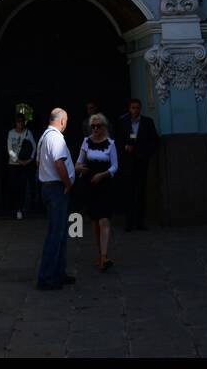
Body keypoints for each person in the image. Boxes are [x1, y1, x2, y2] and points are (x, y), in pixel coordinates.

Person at [35, 108, 75, 291]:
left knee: (59, 232)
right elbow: (59, 163)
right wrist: (67, 183)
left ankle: (59, 272)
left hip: (48, 187)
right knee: (55, 234)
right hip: (56, 188)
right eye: (66, 121)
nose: (66, 124)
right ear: (61, 121)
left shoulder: (44, 137)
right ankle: (47, 276)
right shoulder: (56, 137)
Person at [75, 114, 117, 272]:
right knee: (95, 222)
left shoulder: (111, 144)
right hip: (90, 184)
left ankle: (105, 256)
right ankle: (100, 254)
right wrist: (79, 168)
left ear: (104, 126)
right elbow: (78, 162)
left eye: (98, 126)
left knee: (104, 220)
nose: (96, 129)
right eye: (93, 126)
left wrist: (103, 174)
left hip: (105, 185)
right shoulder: (86, 142)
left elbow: (115, 166)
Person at [115, 99, 159, 231]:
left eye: (137, 108)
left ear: (141, 109)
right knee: (128, 192)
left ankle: (140, 222)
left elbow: (154, 141)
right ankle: (129, 223)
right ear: (129, 108)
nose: (135, 110)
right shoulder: (122, 122)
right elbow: (117, 140)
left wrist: (145, 153)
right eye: (133, 107)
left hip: (141, 162)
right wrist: (124, 148)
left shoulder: (147, 122)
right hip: (127, 163)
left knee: (141, 192)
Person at [5, 115, 36, 218]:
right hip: (13, 165)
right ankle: (14, 208)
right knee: (13, 186)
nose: (20, 123)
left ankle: (20, 209)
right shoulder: (11, 133)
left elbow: (34, 147)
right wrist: (18, 160)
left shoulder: (28, 133)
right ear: (15, 122)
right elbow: (9, 149)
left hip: (25, 165)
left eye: (22, 121)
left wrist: (30, 160)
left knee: (22, 187)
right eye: (18, 121)